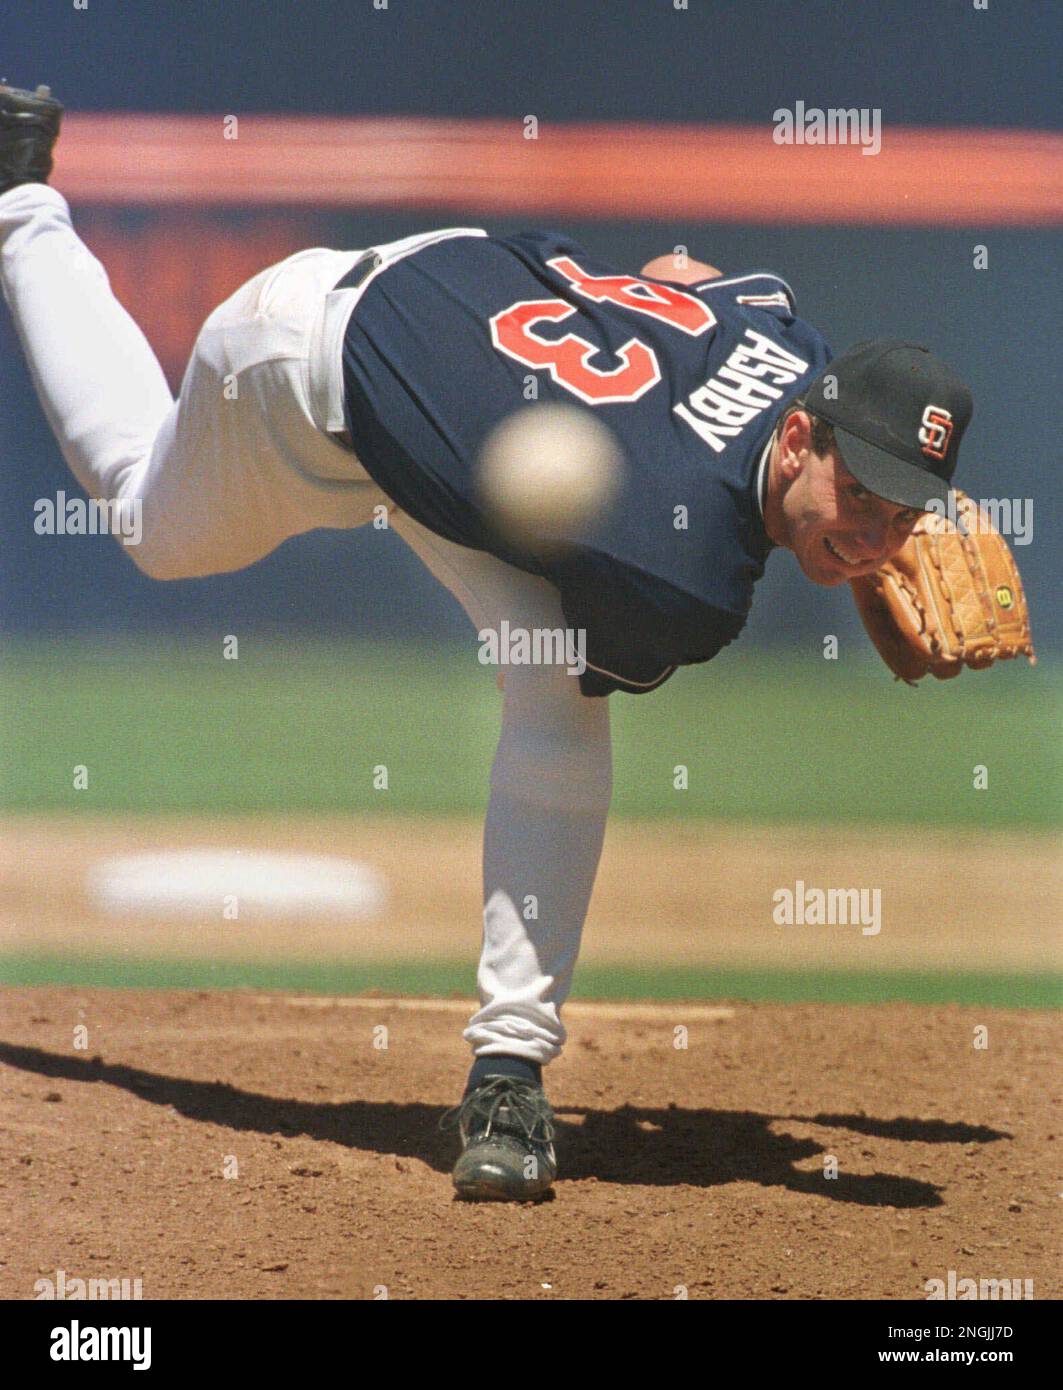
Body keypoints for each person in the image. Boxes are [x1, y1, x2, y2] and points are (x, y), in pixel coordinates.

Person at [0, 83, 973, 1201]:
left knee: (551, 686)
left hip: (459, 302)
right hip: (299, 373)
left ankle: (507, 1070)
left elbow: (715, 284)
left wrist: (840, 523)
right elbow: (678, 509)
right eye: (862, 492)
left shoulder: (790, 347)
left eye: (904, 511)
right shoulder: (679, 573)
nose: (880, 532)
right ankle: (22, 196)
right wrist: (827, 541)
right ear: (798, 434)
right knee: (145, 517)